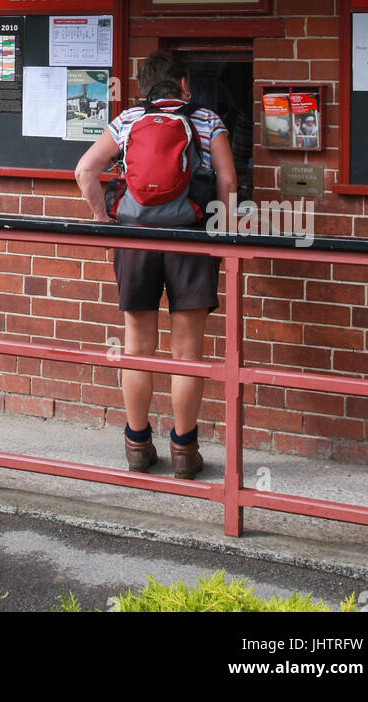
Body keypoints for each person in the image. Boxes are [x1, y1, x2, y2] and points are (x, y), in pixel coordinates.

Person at [75, 50, 238, 480]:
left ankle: (137, 445)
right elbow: (228, 180)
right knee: (187, 352)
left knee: (137, 346)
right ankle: (184, 452)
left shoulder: (128, 120)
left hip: (135, 238)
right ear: (184, 83)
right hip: (191, 238)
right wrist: (221, 227)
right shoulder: (207, 120)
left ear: (145, 86)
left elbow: (85, 169)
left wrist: (103, 217)